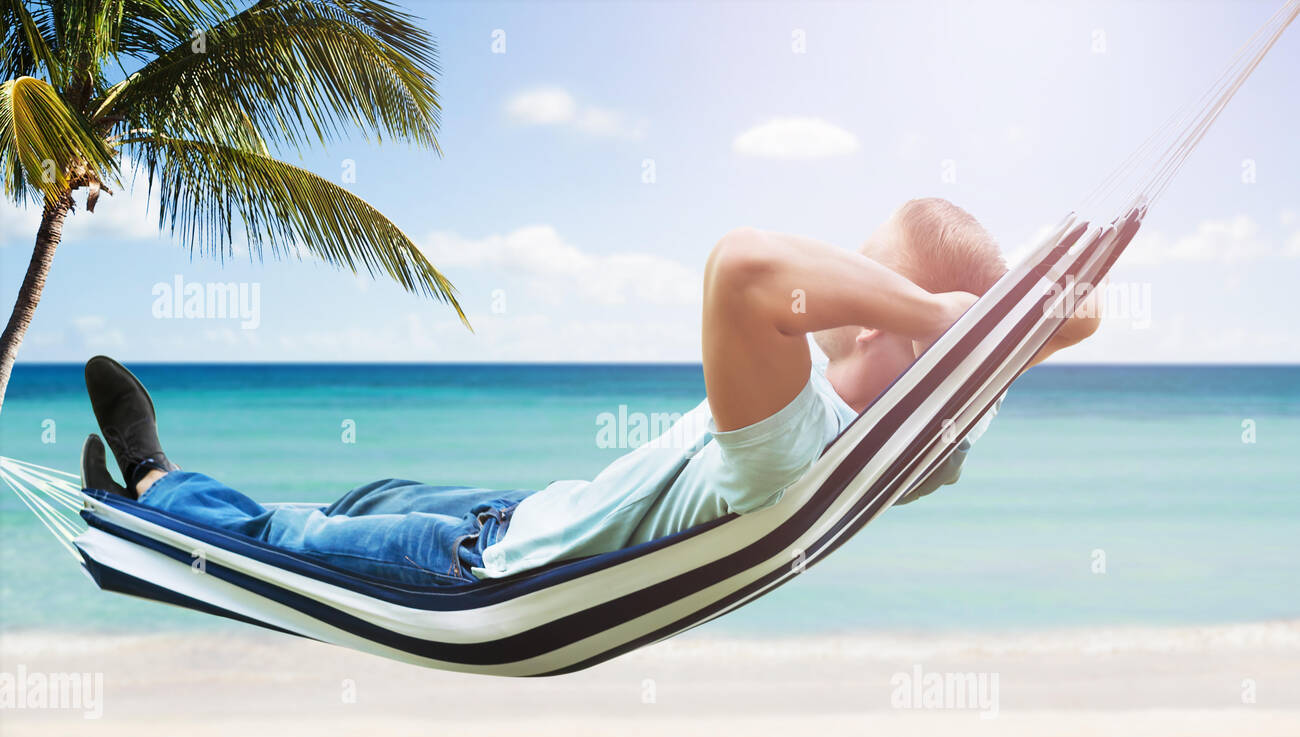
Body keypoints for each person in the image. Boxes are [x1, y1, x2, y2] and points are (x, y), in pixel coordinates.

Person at [81, 198, 1100, 586]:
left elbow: (743, 266)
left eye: (860, 263)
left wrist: (936, 313)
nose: (837, 270)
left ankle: (148, 488)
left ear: (885, 312)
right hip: (524, 512)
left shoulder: (803, 439)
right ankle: (156, 502)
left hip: (476, 571)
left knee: (285, 538)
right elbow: (1081, 314)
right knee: (366, 495)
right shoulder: (932, 438)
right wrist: (984, 320)